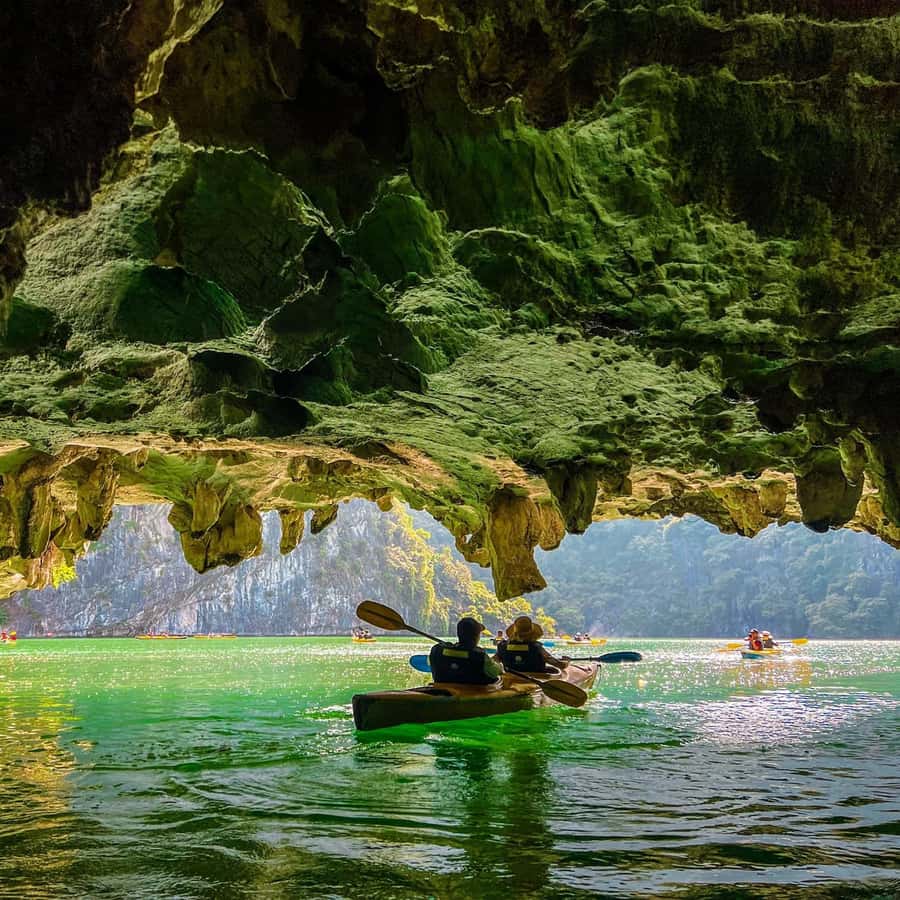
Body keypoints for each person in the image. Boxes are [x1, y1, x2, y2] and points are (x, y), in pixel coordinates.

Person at [429, 617, 502, 685]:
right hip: (472, 693)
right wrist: (497, 664)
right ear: (476, 637)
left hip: (442, 691)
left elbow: (430, 663)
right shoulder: (480, 656)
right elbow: (497, 671)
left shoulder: (437, 650)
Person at [495, 616, 570, 674]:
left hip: (511, 679)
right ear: (532, 634)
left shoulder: (502, 646)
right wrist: (566, 662)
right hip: (536, 678)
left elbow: (494, 661)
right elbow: (559, 665)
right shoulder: (537, 648)